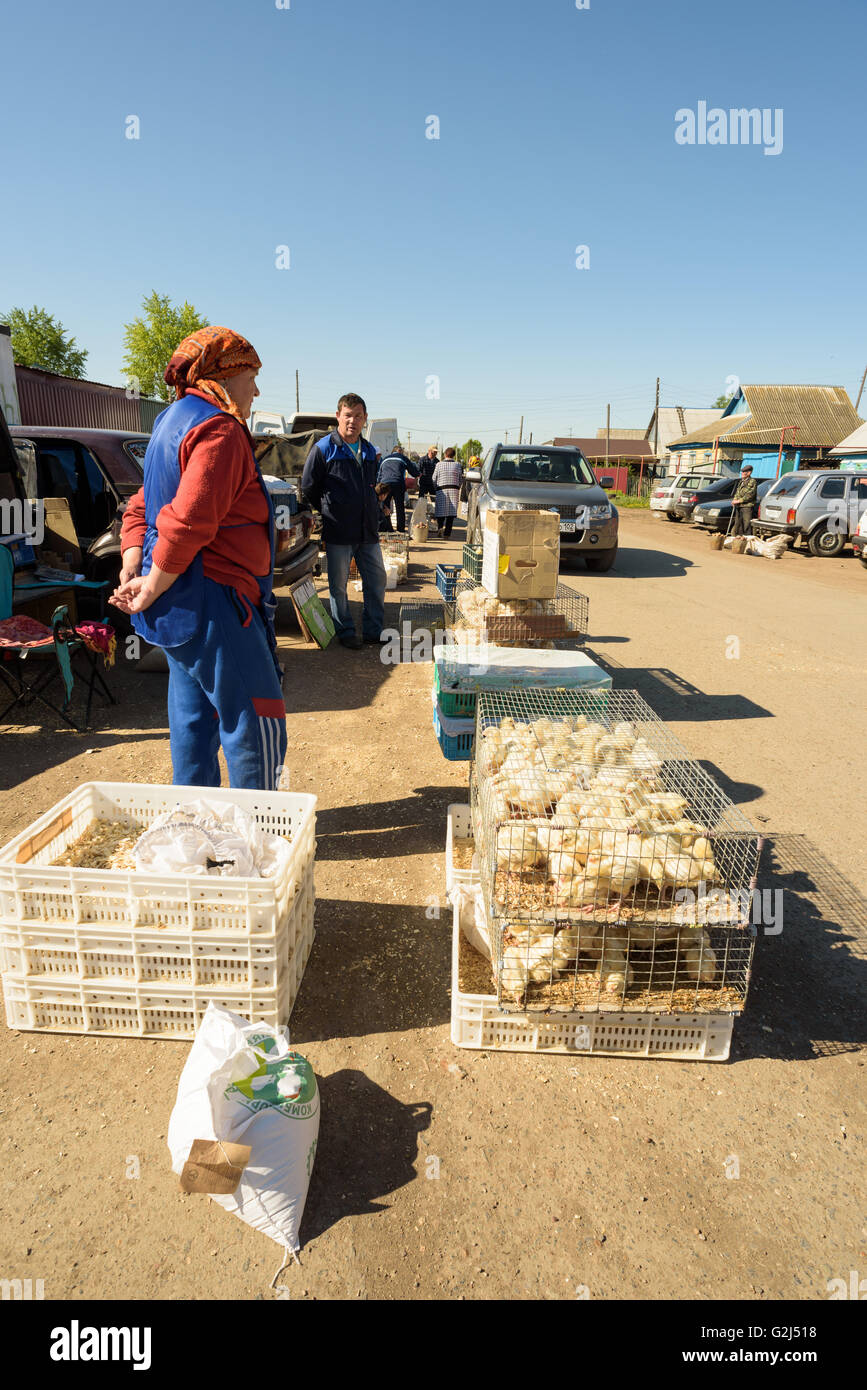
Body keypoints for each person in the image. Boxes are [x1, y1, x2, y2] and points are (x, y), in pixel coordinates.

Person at [110, 326, 287, 791]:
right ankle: (261, 833)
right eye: (252, 376)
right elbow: (187, 521)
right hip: (216, 602)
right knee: (254, 719)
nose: (256, 389)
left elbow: (141, 507)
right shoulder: (219, 429)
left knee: (193, 721)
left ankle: (196, 828)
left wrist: (134, 564)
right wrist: (150, 583)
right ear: (226, 377)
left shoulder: (170, 420)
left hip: (178, 607)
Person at [301, 393, 387, 650]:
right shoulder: (324, 449)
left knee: (377, 580)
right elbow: (308, 487)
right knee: (338, 585)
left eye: (358, 416)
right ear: (338, 416)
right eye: (348, 415)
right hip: (339, 530)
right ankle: (345, 631)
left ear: (365, 420)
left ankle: (373, 630)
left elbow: (370, 487)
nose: (353, 421)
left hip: (367, 531)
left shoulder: (370, 451)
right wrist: (328, 509)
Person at [377, 443, 419, 532]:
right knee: (399, 507)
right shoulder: (402, 458)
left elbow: (379, 475)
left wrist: (379, 487)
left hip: (385, 484)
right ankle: (400, 529)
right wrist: (418, 474)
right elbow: (412, 470)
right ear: (399, 451)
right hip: (398, 484)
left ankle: (387, 529)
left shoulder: (384, 459)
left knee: (385, 506)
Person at [432, 447, 463, 538]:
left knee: (440, 511)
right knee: (451, 513)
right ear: (453, 455)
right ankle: (447, 534)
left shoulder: (439, 464)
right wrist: (458, 487)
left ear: (445, 454)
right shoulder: (458, 465)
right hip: (454, 490)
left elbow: (434, 479)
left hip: (441, 490)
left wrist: (436, 487)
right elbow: (460, 479)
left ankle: (440, 527)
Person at [731, 463, 758, 535]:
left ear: (749, 473)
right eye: (742, 472)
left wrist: (739, 501)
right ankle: (739, 541)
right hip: (739, 506)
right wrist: (734, 500)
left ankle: (747, 541)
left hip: (747, 506)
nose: (742, 473)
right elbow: (738, 492)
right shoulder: (741, 481)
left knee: (746, 525)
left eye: (744, 472)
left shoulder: (752, 481)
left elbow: (750, 495)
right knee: (738, 524)